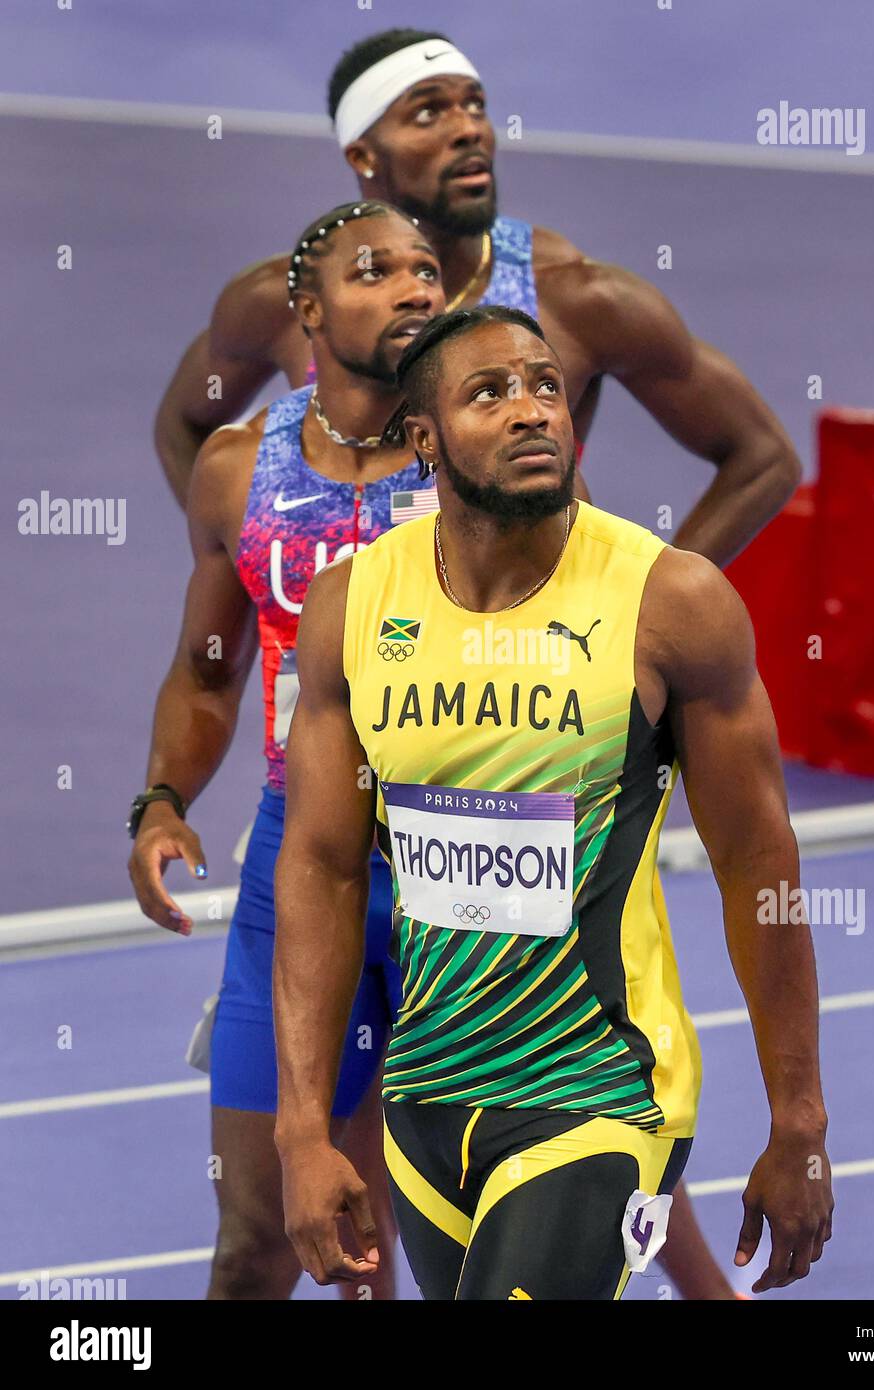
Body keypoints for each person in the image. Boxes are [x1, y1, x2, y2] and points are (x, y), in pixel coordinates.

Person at [272, 306, 833, 1300]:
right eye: (489, 393)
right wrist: (301, 1128)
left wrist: (800, 1122)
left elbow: (760, 865)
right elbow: (318, 864)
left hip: (599, 1092)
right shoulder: (351, 607)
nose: (532, 410)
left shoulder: (672, 602)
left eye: (544, 386)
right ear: (423, 438)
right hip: (427, 1094)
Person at [154, 27, 799, 577]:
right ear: (363, 154)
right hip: (335, 680)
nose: (469, 129)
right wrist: (250, 558)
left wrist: (638, 616)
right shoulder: (282, 300)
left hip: (510, 682)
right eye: (429, 112)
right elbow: (184, 424)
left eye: (475, 105)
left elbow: (761, 458)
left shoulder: (576, 299)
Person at [127, 200, 446, 1299]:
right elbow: (210, 666)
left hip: (467, 868)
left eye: (425, 270)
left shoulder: (494, 463)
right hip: (297, 863)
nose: (414, 287)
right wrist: (163, 798)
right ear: (306, 310)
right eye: (376, 271)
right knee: (259, 1236)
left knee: (427, 1233)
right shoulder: (236, 468)